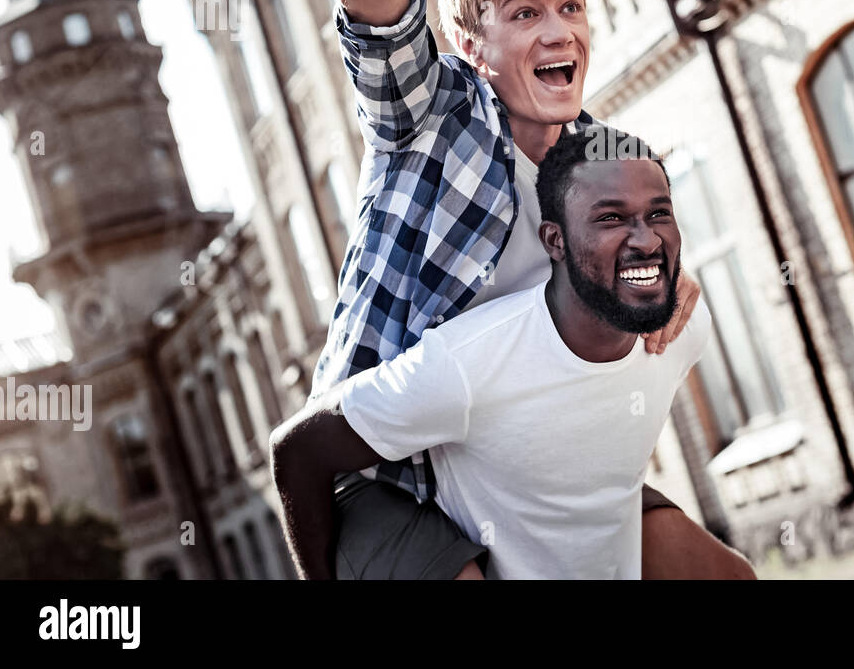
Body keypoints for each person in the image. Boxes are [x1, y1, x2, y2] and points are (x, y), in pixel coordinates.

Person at [305, 0, 755, 578]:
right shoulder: (431, 117)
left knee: (722, 576)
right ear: (472, 45)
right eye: (523, 13)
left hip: (513, 460)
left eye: (569, 5)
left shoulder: (599, 160)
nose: (559, 29)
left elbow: (622, 282)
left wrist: (660, 283)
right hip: (385, 469)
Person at [273, 129, 709, 579]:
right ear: (554, 241)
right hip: (389, 496)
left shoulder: (684, 325)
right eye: (611, 219)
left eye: (659, 213)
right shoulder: (466, 363)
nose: (648, 240)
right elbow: (297, 449)